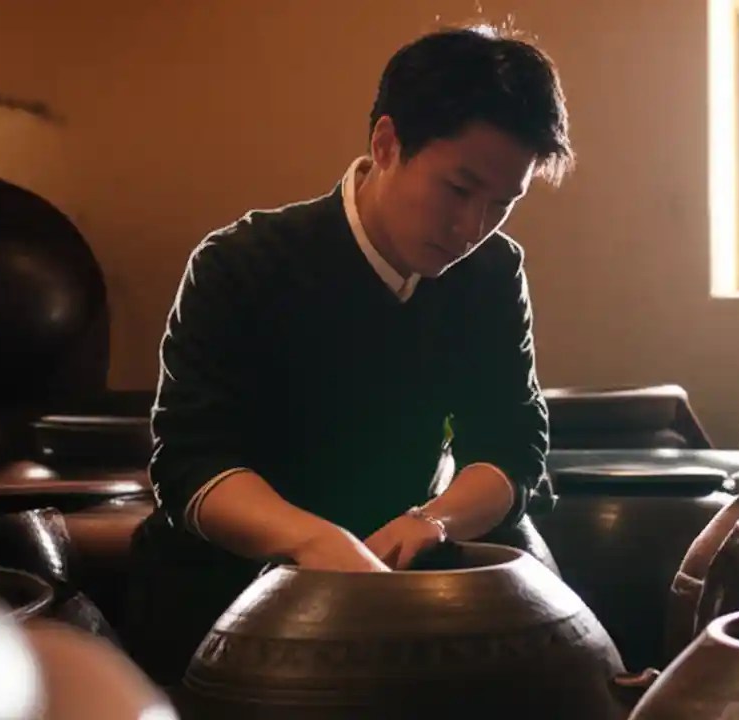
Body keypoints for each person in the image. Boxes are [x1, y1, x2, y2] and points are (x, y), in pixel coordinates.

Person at [123, 22, 574, 685]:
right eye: (458, 189)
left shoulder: (490, 271)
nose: (472, 228)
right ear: (387, 143)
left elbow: (512, 444)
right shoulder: (242, 264)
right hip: (229, 583)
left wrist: (434, 521)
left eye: (502, 204)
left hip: (401, 564)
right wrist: (312, 541)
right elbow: (191, 463)